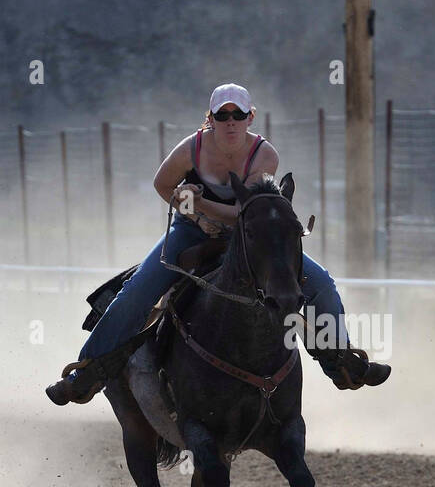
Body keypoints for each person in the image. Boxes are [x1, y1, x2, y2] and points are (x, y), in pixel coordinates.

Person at [46, 83, 390, 405]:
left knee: (320, 285)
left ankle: (343, 364)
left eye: (238, 115)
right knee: (138, 290)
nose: (230, 122)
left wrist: (200, 204)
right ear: (210, 119)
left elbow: (245, 211)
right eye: (222, 115)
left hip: (248, 235)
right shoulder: (191, 148)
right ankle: (86, 371)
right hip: (189, 230)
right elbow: (163, 184)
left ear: (250, 117)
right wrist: (193, 215)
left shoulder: (264, 154)